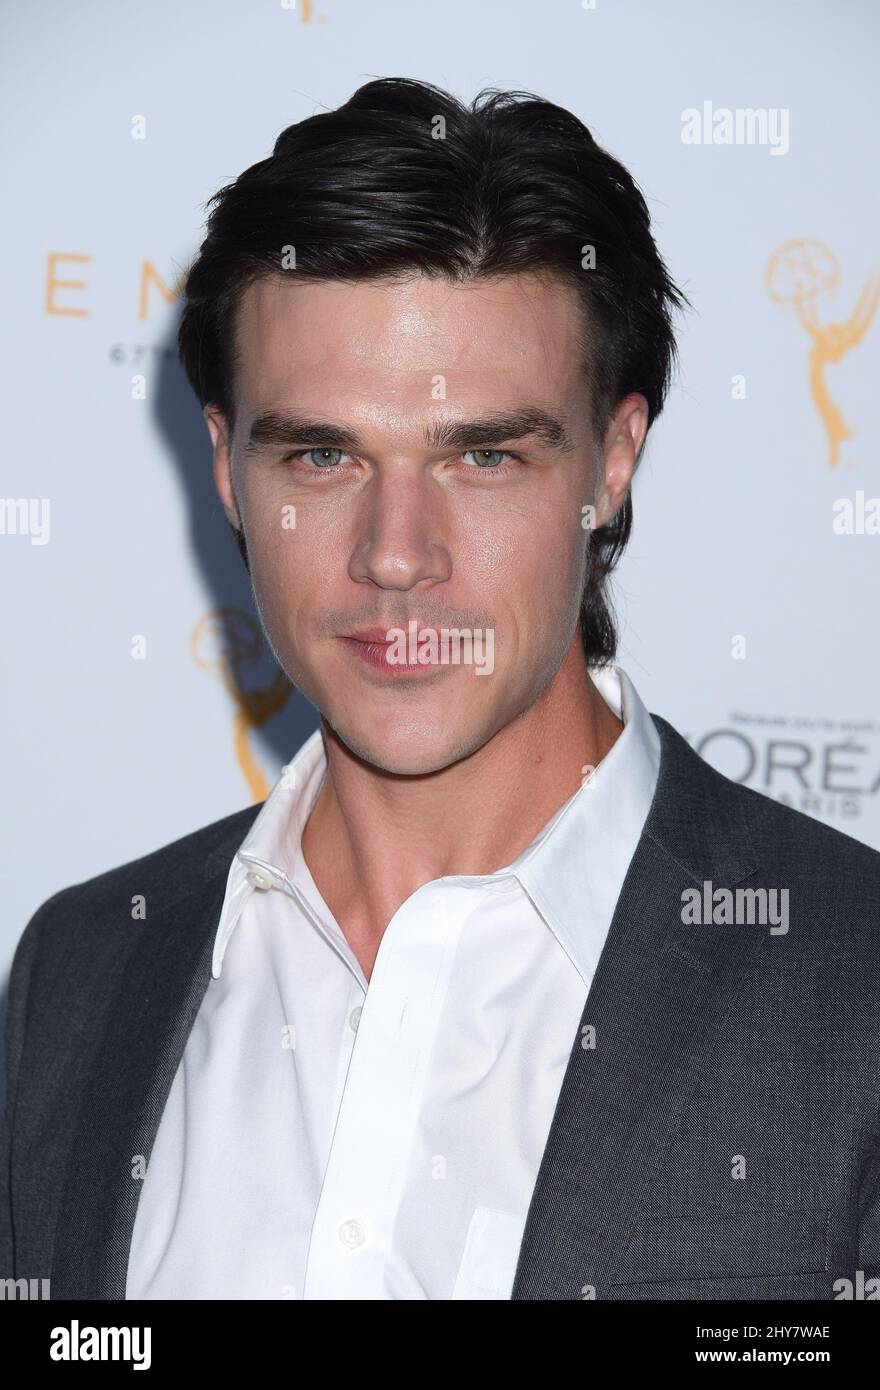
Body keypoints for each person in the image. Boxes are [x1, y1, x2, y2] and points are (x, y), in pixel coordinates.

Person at [2, 78, 878, 1302]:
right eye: (320, 453)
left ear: (612, 462)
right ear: (224, 469)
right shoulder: (80, 973)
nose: (396, 553)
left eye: (482, 455)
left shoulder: (853, 982)